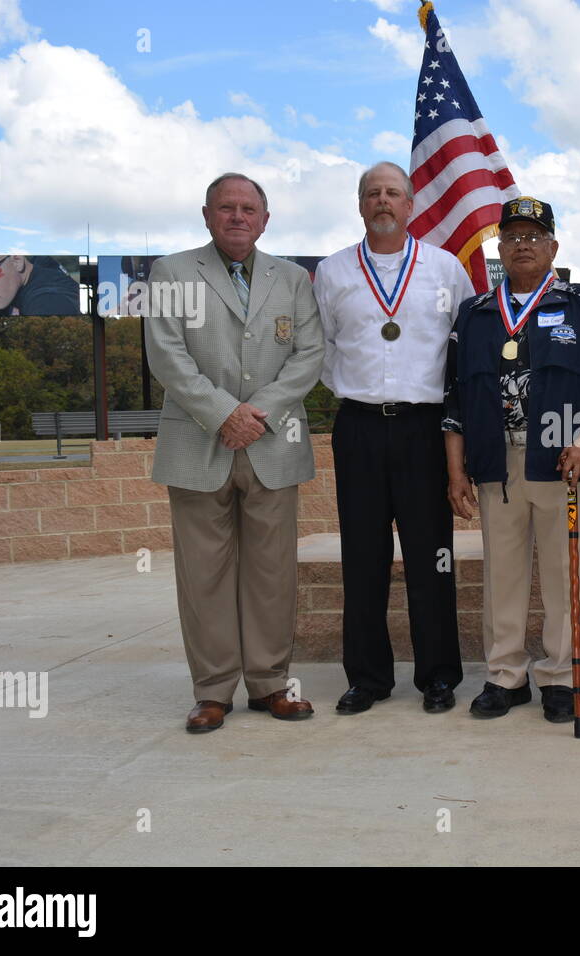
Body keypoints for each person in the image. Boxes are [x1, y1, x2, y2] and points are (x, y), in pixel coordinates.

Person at [145, 172, 324, 733]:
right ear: (206, 215)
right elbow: (166, 354)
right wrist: (224, 413)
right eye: (227, 208)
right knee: (204, 574)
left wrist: (257, 413)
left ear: (265, 219)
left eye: (249, 208)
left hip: (272, 443)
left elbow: (309, 353)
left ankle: (271, 683)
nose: (238, 217)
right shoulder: (172, 273)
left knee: (272, 572)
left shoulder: (294, 279)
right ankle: (212, 690)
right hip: (198, 441)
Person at [444, 196, 580, 723]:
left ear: (553, 246)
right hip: (493, 463)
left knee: (561, 571)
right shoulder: (474, 315)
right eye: (514, 235)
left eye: (534, 235)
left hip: (563, 461)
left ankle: (556, 675)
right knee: (502, 572)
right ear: (500, 247)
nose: (523, 244)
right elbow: (454, 400)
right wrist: (456, 470)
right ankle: (505, 675)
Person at [314, 162, 472, 716]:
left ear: (410, 206)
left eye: (393, 193)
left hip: (424, 429)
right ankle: (368, 677)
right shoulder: (332, 272)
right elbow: (323, 348)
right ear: (360, 205)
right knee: (362, 556)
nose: (383, 201)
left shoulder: (445, 269)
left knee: (433, 557)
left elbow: (463, 350)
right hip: (357, 425)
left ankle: (438, 675)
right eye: (372, 194)